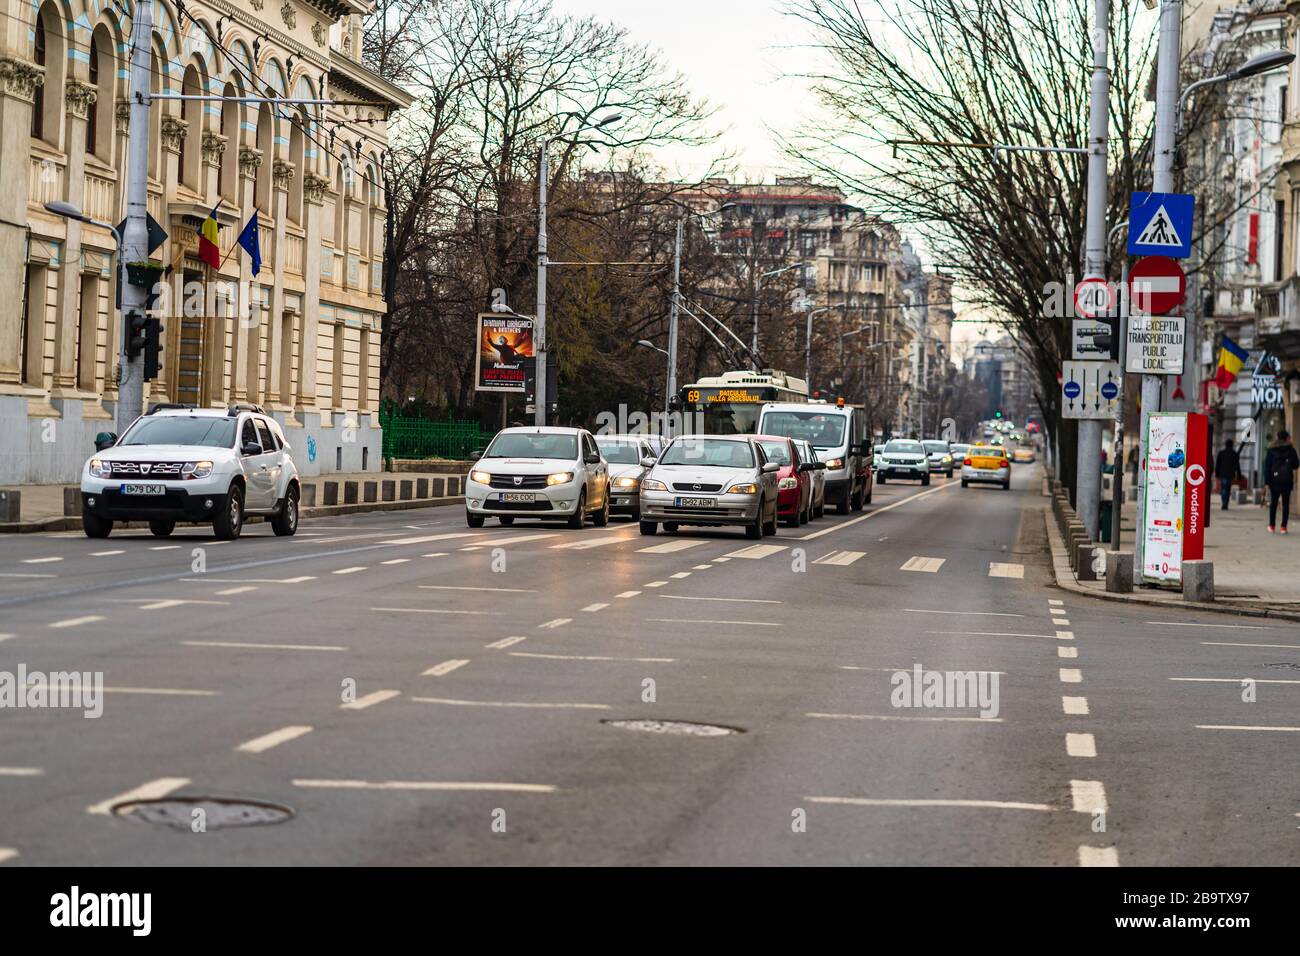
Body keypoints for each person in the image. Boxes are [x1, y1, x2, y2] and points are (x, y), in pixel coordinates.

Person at [1263, 430, 1300, 534]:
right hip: (1287, 480)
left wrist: (1267, 482)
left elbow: (1267, 467)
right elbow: (1296, 465)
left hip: (1274, 481)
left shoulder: (1271, 450)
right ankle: (1283, 527)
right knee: (1285, 504)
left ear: (1277, 437)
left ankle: (1272, 526)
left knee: (1273, 504)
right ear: (1287, 438)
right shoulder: (1291, 449)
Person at [1214, 438, 1241, 511]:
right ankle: (1226, 503)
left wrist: (1216, 474)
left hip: (1222, 474)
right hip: (1230, 474)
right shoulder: (1234, 454)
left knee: (1223, 488)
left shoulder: (1221, 453)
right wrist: (1239, 475)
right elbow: (1237, 465)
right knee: (1228, 489)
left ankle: (1224, 503)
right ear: (1232, 445)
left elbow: (1217, 464)